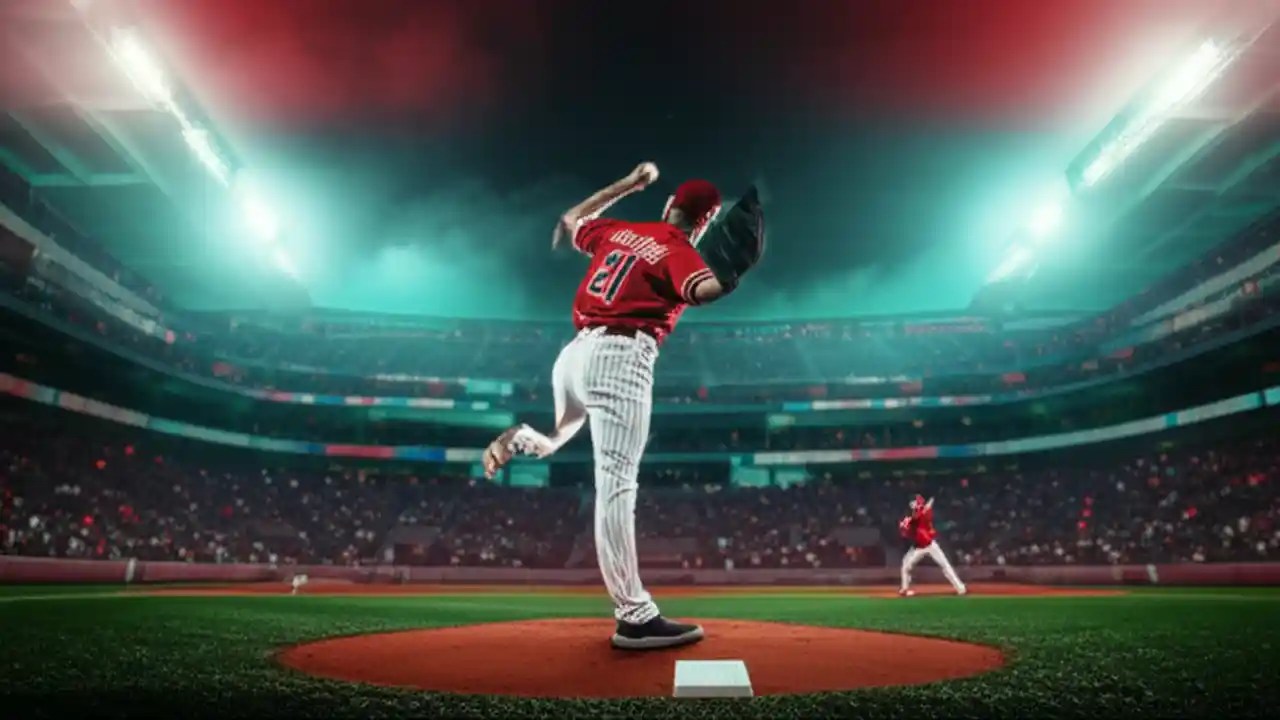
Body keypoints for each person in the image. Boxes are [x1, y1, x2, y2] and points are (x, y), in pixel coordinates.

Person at [482, 161, 764, 650]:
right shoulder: (679, 250)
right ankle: (634, 616)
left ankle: (524, 437)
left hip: (573, 355)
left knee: (558, 439)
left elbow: (571, 220)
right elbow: (705, 290)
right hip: (622, 355)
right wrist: (736, 270)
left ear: (668, 206)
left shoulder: (620, 229)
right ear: (703, 223)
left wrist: (629, 184)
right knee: (617, 483)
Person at [898, 494, 967, 596]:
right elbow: (906, 528)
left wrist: (924, 507)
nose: (914, 504)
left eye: (915, 503)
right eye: (913, 503)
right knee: (905, 566)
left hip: (930, 545)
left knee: (945, 565)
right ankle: (904, 589)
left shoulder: (923, 512)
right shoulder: (914, 515)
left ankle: (960, 588)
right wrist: (906, 524)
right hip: (918, 547)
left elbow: (920, 515)